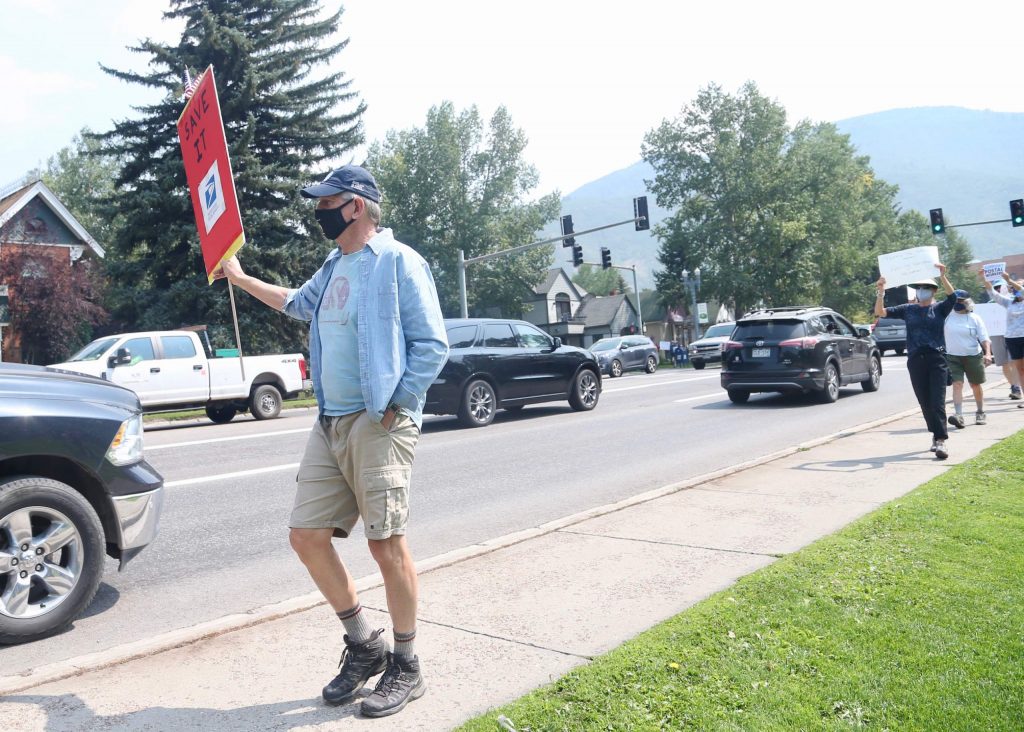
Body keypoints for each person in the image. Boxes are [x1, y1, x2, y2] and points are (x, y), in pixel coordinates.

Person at [216, 165, 448, 718]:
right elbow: (297, 303)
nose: (318, 209)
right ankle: (365, 644)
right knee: (306, 535)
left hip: (378, 420)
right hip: (330, 422)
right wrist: (240, 277)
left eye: (329, 200)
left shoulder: (397, 261)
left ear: (358, 207)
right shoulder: (332, 264)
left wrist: (398, 404)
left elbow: (432, 343)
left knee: (385, 544)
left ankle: (407, 664)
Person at [874, 264, 960, 459]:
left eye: (926, 287)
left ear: (933, 290)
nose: (922, 291)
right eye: (919, 288)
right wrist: (880, 291)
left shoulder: (939, 309)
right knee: (925, 402)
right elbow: (881, 312)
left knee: (937, 401)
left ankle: (941, 440)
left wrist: (943, 277)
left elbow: (953, 297)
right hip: (915, 359)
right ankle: (935, 433)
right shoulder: (908, 309)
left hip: (936, 358)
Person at [943, 295, 992, 428]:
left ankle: (980, 411)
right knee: (957, 384)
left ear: (968, 303)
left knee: (975, 385)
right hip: (953, 357)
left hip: (973, 356)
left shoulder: (975, 318)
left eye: (961, 301)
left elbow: (984, 338)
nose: (958, 304)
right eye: (956, 301)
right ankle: (959, 415)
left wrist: (987, 353)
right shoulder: (947, 316)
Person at [981, 271, 1024, 407]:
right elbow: (993, 293)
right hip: (1012, 338)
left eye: (1017, 287)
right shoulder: (1009, 302)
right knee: (1020, 370)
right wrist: (984, 278)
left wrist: (1009, 279)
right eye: (1012, 288)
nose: (1015, 289)